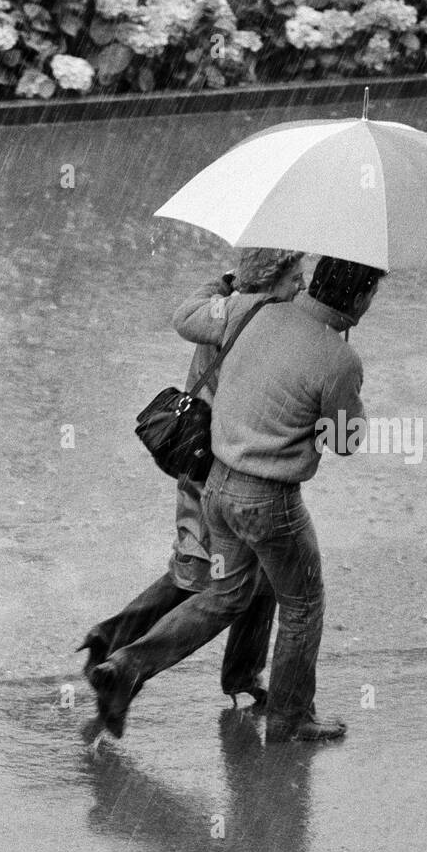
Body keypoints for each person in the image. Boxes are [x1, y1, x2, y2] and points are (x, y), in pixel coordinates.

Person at [89, 256, 385, 742]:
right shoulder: (339, 359)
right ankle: (291, 719)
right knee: (302, 604)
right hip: (271, 503)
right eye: (372, 292)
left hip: (218, 488)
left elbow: (195, 319)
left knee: (224, 596)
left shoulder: (254, 311)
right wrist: (346, 388)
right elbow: (344, 442)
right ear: (359, 295)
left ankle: (125, 664)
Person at [79, 247, 306, 713]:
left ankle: (116, 643)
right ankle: (125, 659)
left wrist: (228, 281)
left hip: (199, 456)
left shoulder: (221, 310)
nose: (301, 285)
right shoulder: (266, 324)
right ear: (274, 278)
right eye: (295, 276)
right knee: (212, 579)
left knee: (207, 570)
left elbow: (184, 315)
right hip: (223, 464)